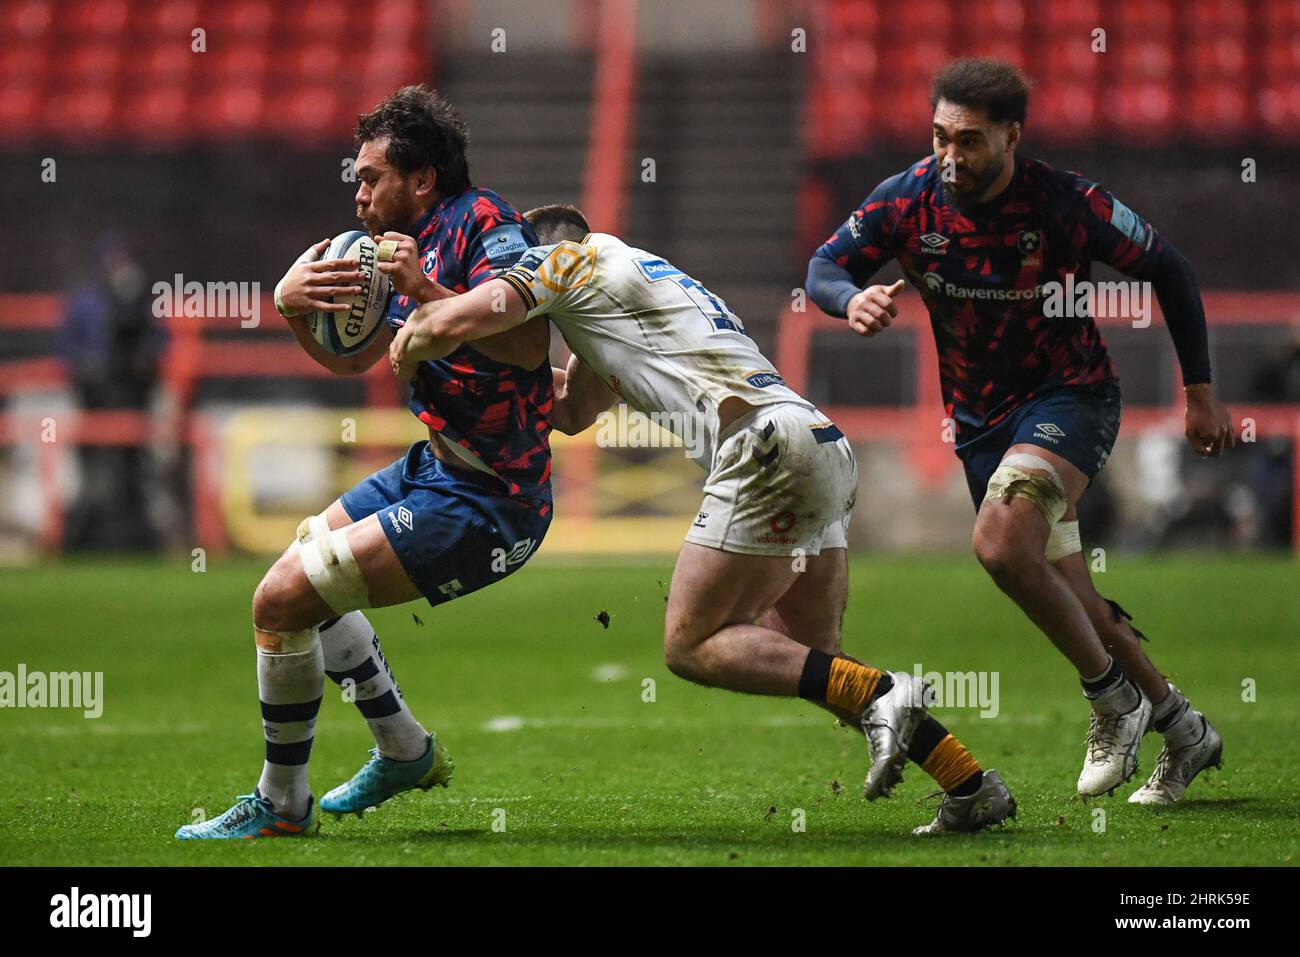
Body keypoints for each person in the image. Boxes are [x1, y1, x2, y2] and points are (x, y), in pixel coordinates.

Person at [389, 203, 1017, 835]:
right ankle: (968, 783)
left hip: (761, 448)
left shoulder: (566, 260)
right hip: (816, 442)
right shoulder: (627, 288)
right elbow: (570, 411)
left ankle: (885, 693)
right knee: (814, 660)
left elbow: (469, 314)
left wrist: (420, 291)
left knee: (690, 643)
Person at [807, 58, 1232, 804]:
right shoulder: (907, 201)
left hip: (1071, 397)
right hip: (979, 427)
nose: (949, 156)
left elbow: (1171, 268)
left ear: (1012, 135)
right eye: (939, 136)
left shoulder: (1065, 204)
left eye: (968, 141)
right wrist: (850, 301)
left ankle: (1112, 702)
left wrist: (1199, 392)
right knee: (1079, 602)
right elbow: (824, 265)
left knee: (999, 541)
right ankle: (1184, 727)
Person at [176, 86, 553, 839]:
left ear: (421, 180)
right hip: (435, 469)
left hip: (491, 499)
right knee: (304, 571)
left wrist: (424, 289)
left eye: (371, 176)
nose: (357, 192)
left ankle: (282, 804)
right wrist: (291, 308)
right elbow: (350, 363)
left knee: (280, 602)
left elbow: (530, 340)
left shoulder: (486, 223)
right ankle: (405, 748)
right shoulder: (386, 252)